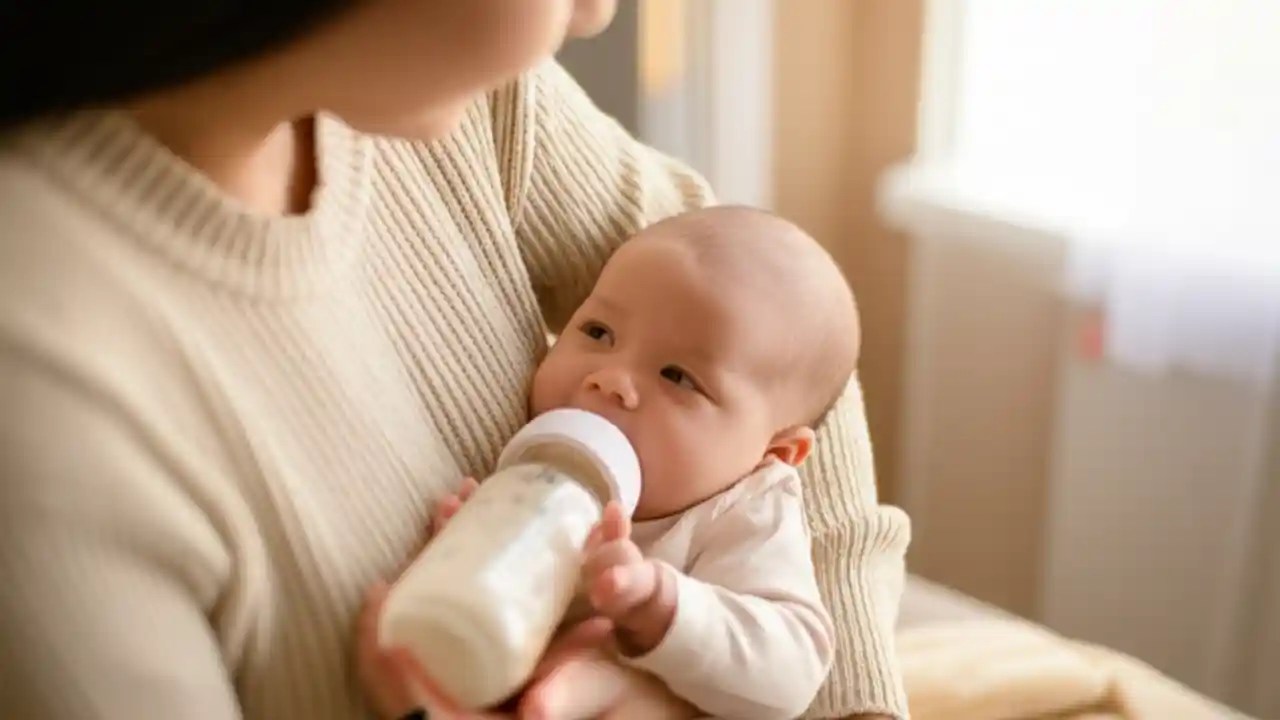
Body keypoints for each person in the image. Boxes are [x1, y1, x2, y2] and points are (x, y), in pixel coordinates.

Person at [0, 1, 910, 719]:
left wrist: (805, 699)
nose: (596, 13)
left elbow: (784, 328)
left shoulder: (460, 83)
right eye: (598, 335)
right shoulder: (46, 382)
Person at [411, 206, 856, 720]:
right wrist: (475, 541)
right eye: (598, 333)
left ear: (772, 453)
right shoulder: (540, 453)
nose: (610, 379)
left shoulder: (745, 512)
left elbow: (793, 670)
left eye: (677, 376)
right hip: (489, 662)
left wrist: (661, 604)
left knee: (597, 673)